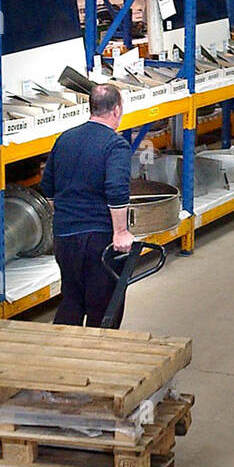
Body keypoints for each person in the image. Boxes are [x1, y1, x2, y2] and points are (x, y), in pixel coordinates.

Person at [40, 83, 136, 327]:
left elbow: (48, 186)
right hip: (98, 241)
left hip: (63, 237)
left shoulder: (65, 139)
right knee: (104, 307)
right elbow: (116, 189)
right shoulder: (115, 145)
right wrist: (121, 232)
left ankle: (65, 357)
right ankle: (99, 359)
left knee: (72, 300)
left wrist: (68, 216)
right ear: (116, 110)